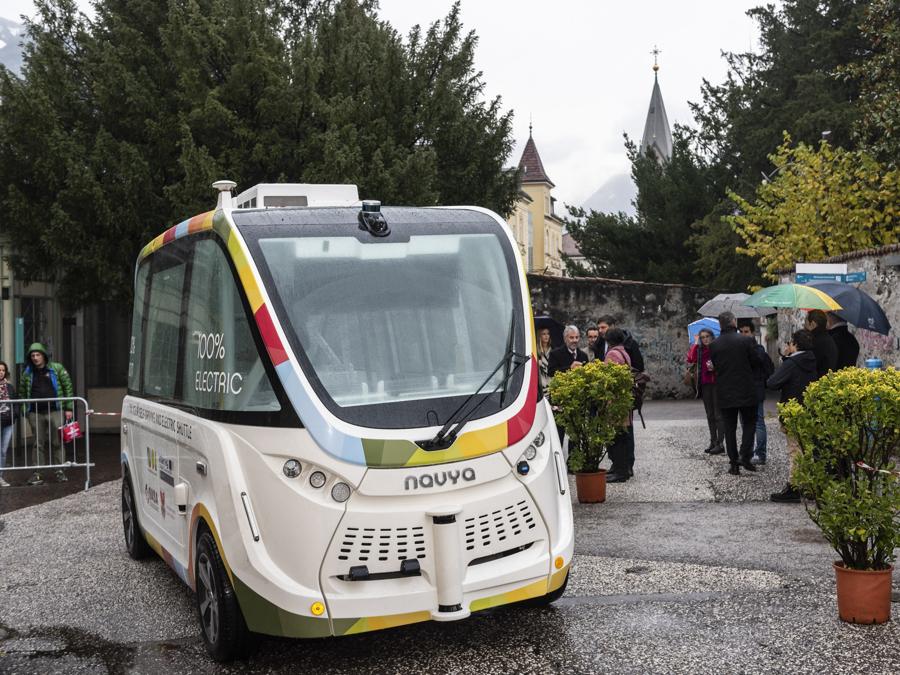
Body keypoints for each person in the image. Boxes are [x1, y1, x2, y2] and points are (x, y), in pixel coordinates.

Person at [766, 329, 818, 503]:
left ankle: (794, 488)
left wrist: (786, 360)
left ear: (795, 344)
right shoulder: (811, 360)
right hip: (808, 410)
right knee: (806, 449)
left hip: (793, 411)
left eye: (790, 343)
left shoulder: (792, 363)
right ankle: (809, 485)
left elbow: (772, 382)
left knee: (794, 450)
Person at [708, 312, 762, 475]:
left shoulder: (714, 345)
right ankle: (744, 455)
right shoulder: (746, 340)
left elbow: (716, 366)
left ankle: (733, 464)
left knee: (729, 428)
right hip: (746, 389)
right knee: (750, 423)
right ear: (733, 322)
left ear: (720, 325)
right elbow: (756, 362)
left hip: (725, 391)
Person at [20, 343, 74, 484]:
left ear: (43, 355)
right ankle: (38, 473)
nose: (35, 358)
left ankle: (60, 471)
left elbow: (67, 386)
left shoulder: (56, 368)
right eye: (32, 356)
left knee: (57, 441)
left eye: (38, 355)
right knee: (38, 443)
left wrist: (68, 408)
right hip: (36, 412)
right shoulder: (27, 373)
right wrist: (25, 410)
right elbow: (22, 393)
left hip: (55, 410)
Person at [738, 322, 775, 465]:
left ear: (752, 333)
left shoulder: (758, 349)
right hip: (741, 390)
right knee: (744, 423)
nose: (743, 334)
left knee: (758, 422)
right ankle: (747, 452)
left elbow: (759, 362)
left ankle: (760, 454)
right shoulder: (738, 349)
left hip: (755, 390)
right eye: (740, 331)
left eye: (746, 331)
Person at [548, 326, 589, 444]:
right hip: (560, 398)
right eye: (571, 337)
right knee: (558, 433)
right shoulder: (556, 353)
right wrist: (569, 368)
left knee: (576, 435)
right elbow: (551, 372)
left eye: (577, 337)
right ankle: (558, 459)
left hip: (577, 399)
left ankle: (573, 461)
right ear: (566, 338)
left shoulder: (583, 355)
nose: (575, 340)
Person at [686, 328, 725, 455]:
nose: (705, 339)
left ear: (712, 337)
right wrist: (696, 343)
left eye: (707, 336)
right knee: (709, 415)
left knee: (718, 415)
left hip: (717, 383)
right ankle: (713, 441)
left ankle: (720, 443)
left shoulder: (717, 348)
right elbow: (690, 359)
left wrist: (715, 367)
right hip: (705, 384)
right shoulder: (699, 350)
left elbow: (724, 364)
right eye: (702, 337)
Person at [604, 328, 635, 483]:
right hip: (624, 400)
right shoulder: (624, 352)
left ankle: (620, 471)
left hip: (616, 401)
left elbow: (610, 379)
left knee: (617, 437)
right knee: (622, 435)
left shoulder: (612, 354)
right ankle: (620, 468)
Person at [805, 310, 838, 379]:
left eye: (806, 322)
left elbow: (807, 365)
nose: (804, 325)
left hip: (817, 383)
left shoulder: (815, 341)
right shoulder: (827, 337)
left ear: (813, 324)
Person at [0, 361, 16, 488]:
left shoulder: (9, 387)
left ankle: (0, 476)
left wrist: (14, 415)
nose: (1, 372)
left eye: (3, 370)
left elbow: (15, 402)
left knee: (4, 451)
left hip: (7, 422)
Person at [537, 327, 553, 398]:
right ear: (539, 336)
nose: (546, 336)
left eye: (548, 334)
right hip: (540, 381)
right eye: (544, 334)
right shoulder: (536, 350)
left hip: (551, 380)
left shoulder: (553, 350)